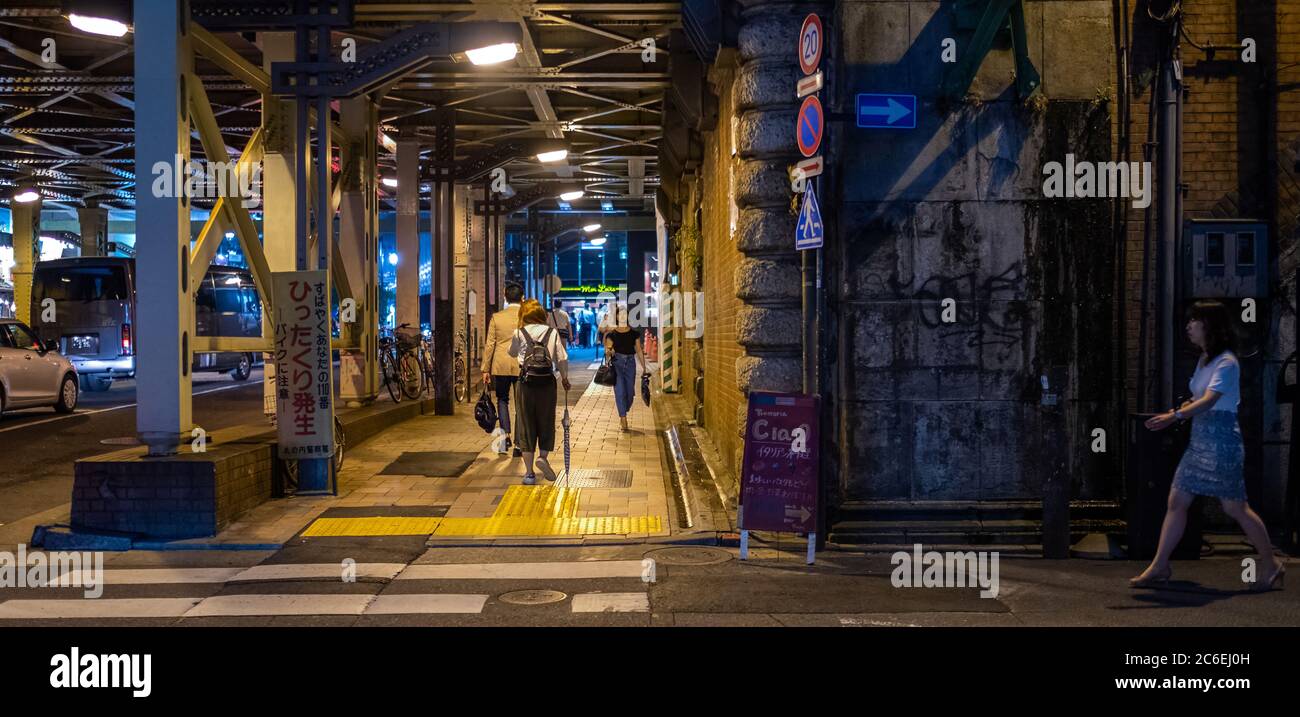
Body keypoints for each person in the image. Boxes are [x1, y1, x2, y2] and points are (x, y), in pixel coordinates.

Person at [1134, 300, 1285, 591]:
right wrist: (1174, 413)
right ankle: (1159, 565)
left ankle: (1271, 564)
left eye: (1195, 321)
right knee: (1177, 502)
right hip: (1200, 440)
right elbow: (1197, 399)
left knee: (1236, 508)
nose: (1189, 326)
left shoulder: (1227, 362)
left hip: (1221, 441)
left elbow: (1210, 401)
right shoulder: (1205, 360)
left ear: (1210, 326)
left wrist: (1174, 416)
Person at [507, 299, 571, 484]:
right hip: (547, 384)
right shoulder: (552, 333)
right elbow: (562, 358)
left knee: (526, 424)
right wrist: (565, 379)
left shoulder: (519, 332)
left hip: (525, 383)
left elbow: (512, 353)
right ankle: (542, 457)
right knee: (546, 421)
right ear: (541, 314)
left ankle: (528, 473)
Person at [480, 283, 524, 456]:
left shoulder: (497, 317)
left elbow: (490, 344)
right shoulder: (526, 317)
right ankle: (520, 445)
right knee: (521, 404)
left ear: (505, 297)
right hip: (521, 365)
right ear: (522, 297)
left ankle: (505, 438)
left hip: (500, 365)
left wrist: (485, 369)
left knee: (502, 400)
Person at [603, 303, 648, 432]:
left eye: (624, 313)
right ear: (616, 316)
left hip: (630, 364)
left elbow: (639, 350)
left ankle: (624, 408)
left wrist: (644, 367)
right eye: (619, 313)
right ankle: (623, 417)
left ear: (627, 316)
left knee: (630, 392)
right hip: (617, 363)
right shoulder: (612, 334)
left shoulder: (634, 333)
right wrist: (609, 352)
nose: (622, 316)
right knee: (620, 391)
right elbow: (608, 349)